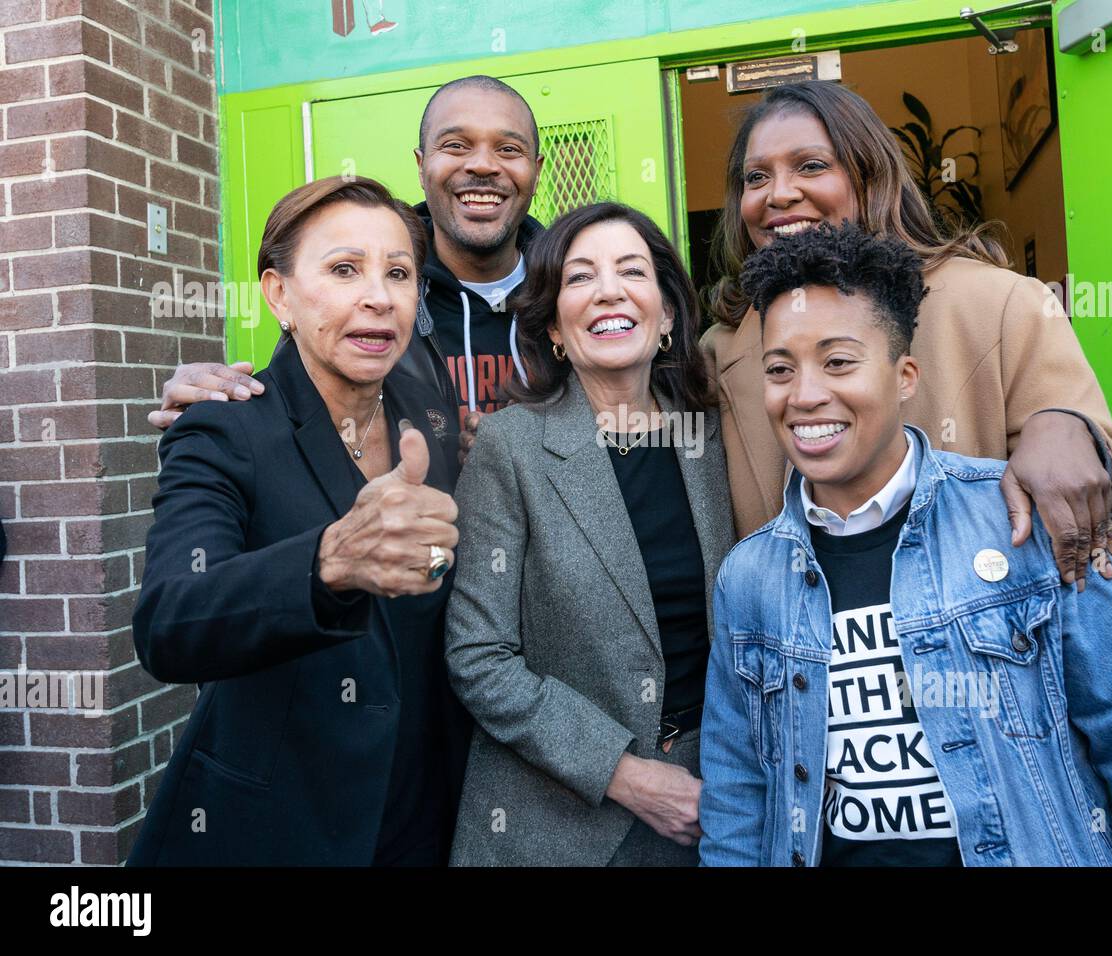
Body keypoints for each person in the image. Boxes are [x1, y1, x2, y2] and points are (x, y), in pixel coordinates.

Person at [698, 223, 1112, 867]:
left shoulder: (1033, 521)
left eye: (839, 361)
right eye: (780, 369)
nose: (806, 394)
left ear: (905, 376)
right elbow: (738, 801)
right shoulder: (749, 576)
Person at [129, 176, 471, 866]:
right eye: (344, 269)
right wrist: (328, 561)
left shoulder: (427, 410)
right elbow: (169, 622)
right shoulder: (224, 427)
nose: (378, 295)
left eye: (398, 273)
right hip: (284, 824)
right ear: (279, 294)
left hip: (426, 815)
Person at [701, 81, 1112, 589]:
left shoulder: (1000, 305)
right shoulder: (722, 351)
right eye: (756, 176)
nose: (779, 193)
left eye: (811, 166)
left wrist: (1070, 430)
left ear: (870, 175)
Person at [444, 202, 734, 866]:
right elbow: (479, 658)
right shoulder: (509, 447)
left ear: (666, 315)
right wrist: (626, 775)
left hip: (713, 813)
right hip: (556, 826)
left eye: (632, 271)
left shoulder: (716, 436)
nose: (609, 290)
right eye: (580, 277)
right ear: (553, 327)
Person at [149, 74, 546, 462]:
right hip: (410, 522)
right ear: (422, 165)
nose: (482, 165)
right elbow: (291, 417)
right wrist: (210, 411)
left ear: (537, 168)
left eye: (509, 149)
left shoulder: (573, 291)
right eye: (456, 145)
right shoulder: (367, 300)